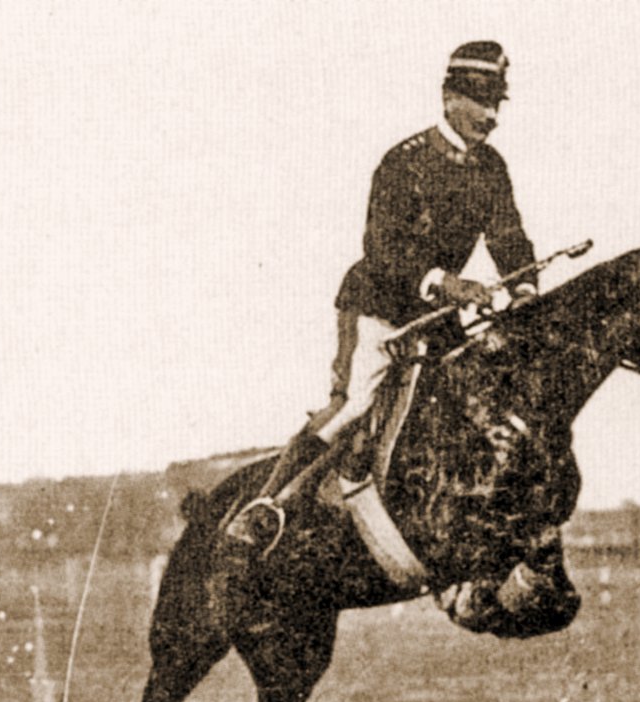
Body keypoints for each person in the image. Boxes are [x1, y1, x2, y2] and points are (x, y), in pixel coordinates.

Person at [223, 40, 538, 551]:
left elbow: (509, 237)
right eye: (481, 100)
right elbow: (382, 247)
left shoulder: (492, 169)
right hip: (377, 305)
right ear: (448, 97)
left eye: (497, 102)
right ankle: (264, 504)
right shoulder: (403, 162)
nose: (491, 115)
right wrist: (447, 283)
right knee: (355, 404)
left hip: (437, 317)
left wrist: (524, 288)